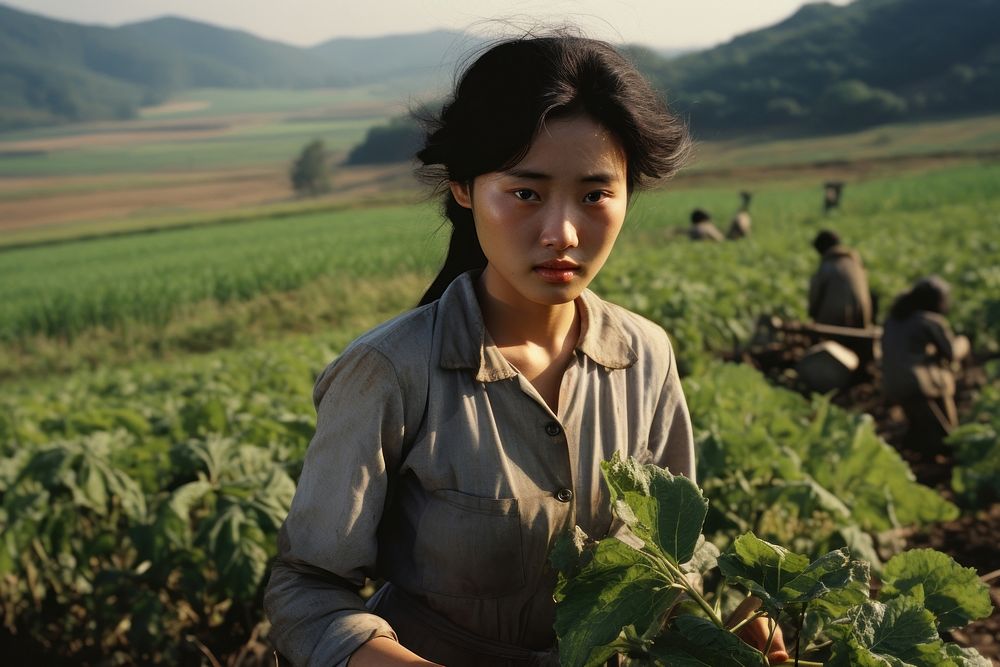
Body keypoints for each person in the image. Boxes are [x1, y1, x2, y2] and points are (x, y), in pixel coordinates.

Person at [264, 33, 786, 667]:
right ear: (463, 188)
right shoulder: (391, 373)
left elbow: (662, 571)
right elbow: (306, 589)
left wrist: (725, 641)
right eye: (526, 193)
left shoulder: (646, 357)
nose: (562, 232)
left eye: (595, 195)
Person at [882, 276, 969, 457]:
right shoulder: (929, 321)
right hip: (918, 385)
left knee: (922, 428)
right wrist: (964, 343)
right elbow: (951, 353)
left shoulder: (894, 319)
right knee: (947, 436)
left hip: (893, 384)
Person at [808, 229, 873, 328]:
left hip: (833, 326)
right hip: (861, 324)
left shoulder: (827, 267)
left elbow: (813, 305)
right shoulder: (856, 265)